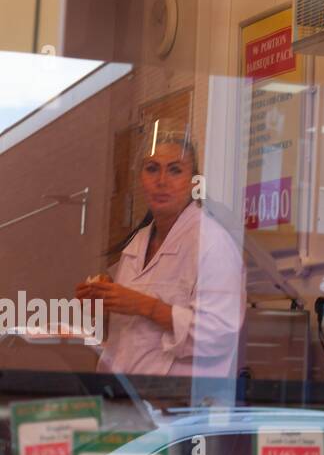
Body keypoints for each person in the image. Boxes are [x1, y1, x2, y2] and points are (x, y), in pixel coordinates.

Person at [75, 132, 246, 379]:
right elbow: (133, 334)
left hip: (178, 403)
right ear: (141, 178)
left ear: (194, 181)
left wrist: (143, 305)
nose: (162, 180)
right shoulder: (138, 242)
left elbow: (218, 334)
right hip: (124, 392)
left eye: (175, 170)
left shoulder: (213, 242)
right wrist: (104, 305)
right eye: (152, 169)